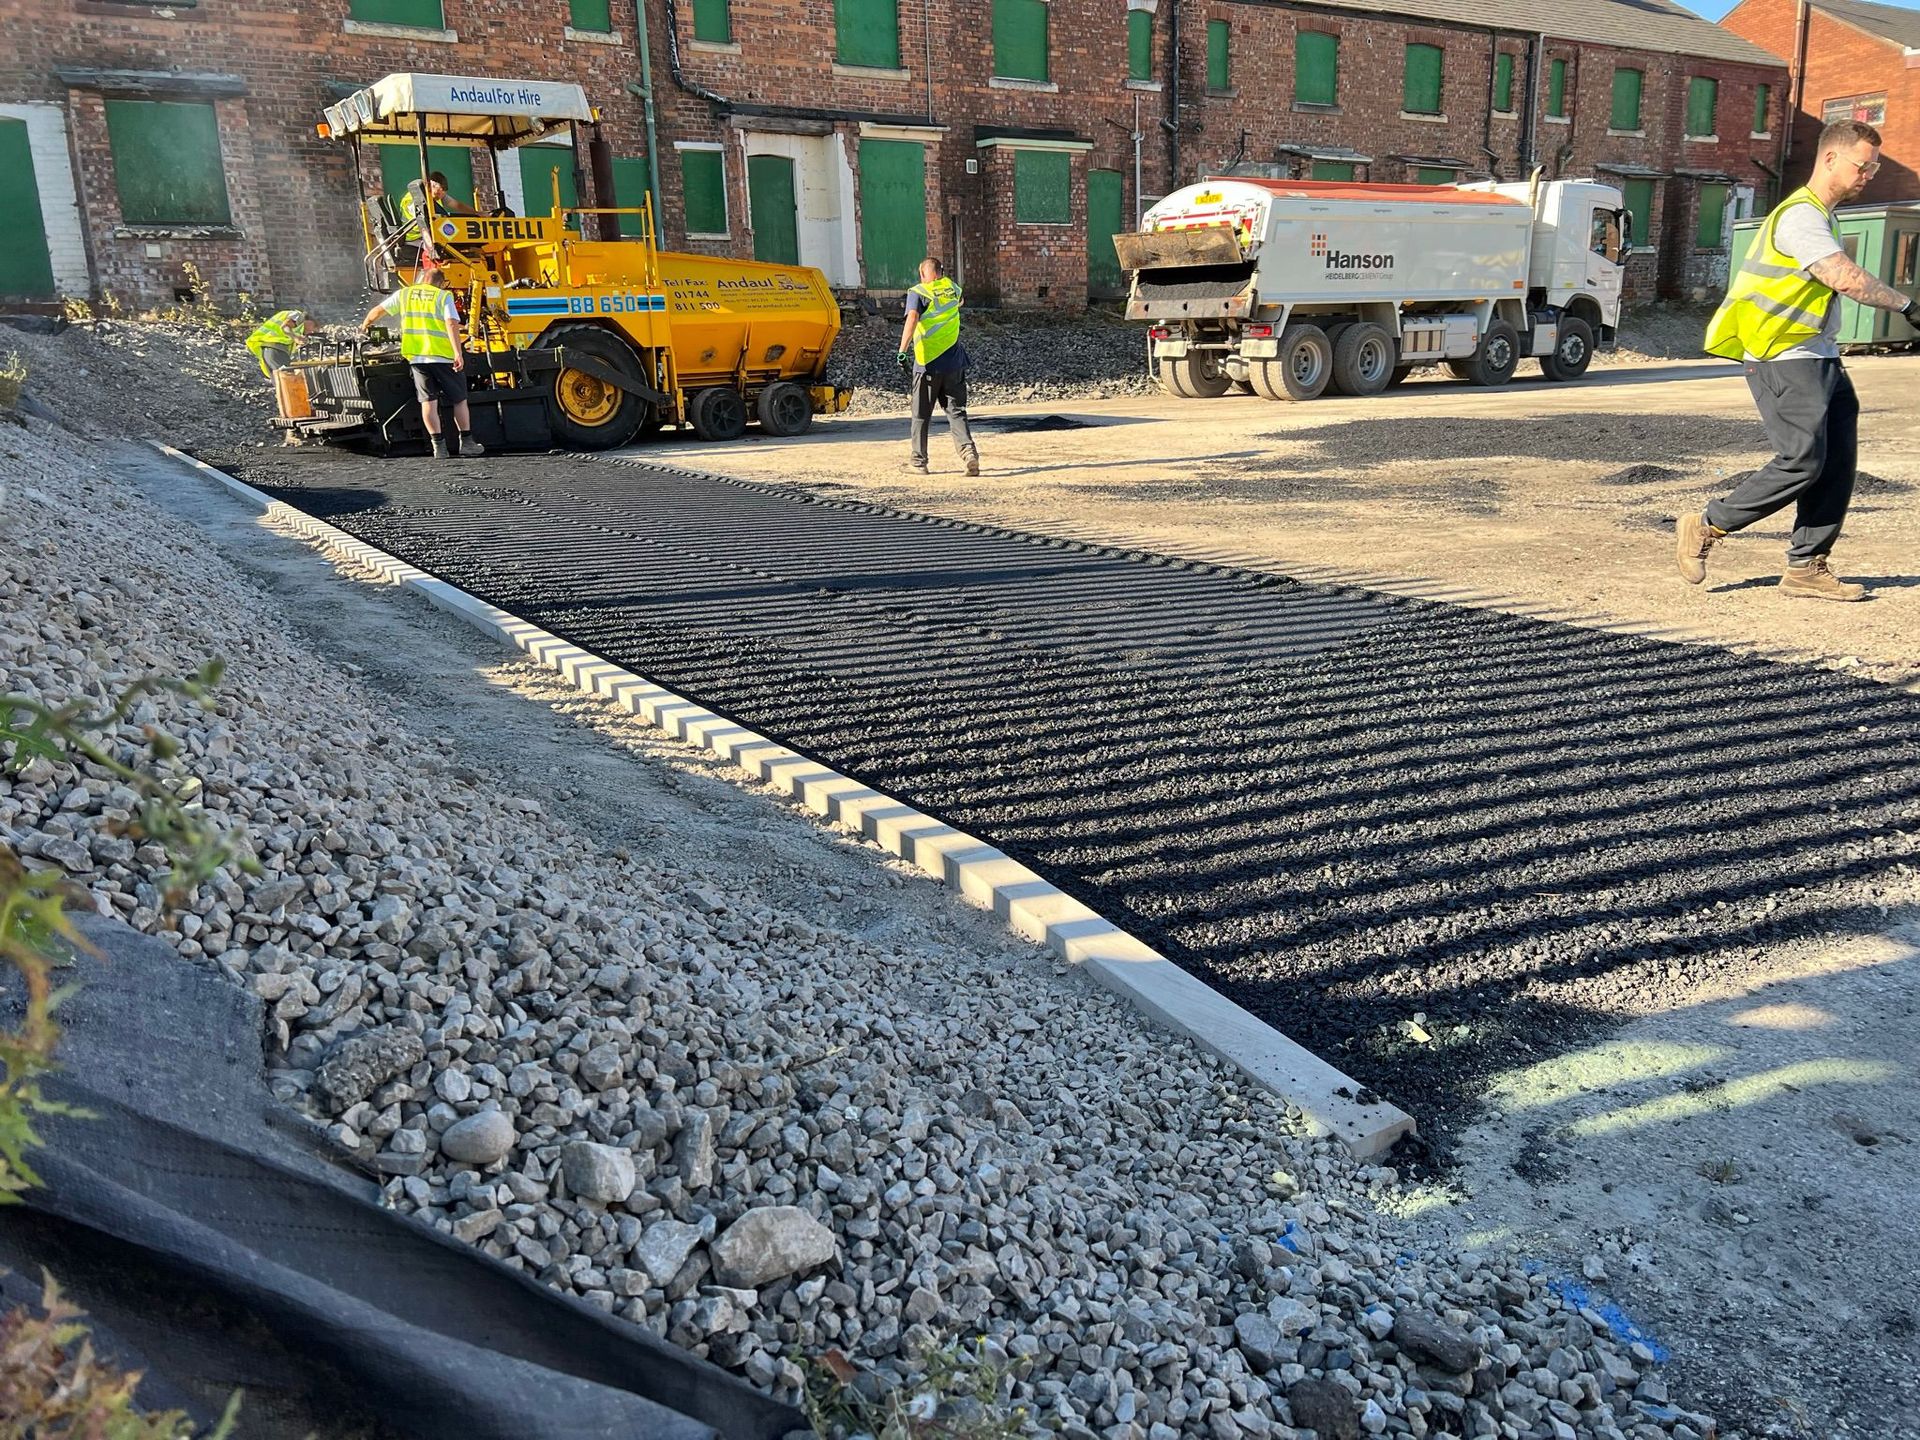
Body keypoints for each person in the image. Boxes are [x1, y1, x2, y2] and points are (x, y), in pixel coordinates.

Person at [1683, 118, 1918, 601]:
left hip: (1818, 354)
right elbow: (1843, 277)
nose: (1868, 175)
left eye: (1873, 168)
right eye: (1863, 166)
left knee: (1837, 462)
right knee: (1802, 460)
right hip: (1780, 351)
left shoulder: (1825, 216)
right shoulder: (1801, 217)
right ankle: (1707, 525)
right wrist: (1908, 307)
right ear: (1830, 158)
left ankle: (1808, 566)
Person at [357, 262, 485, 459]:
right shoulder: (443, 296)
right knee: (459, 399)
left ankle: (438, 447)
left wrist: (365, 326)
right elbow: (451, 323)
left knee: (428, 401)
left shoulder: (405, 294)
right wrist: (458, 352)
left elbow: (377, 311)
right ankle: (466, 443)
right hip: (443, 357)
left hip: (417, 357)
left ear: (422, 279)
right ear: (441, 283)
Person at [897, 256, 980, 477]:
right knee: (956, 411)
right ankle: (969, 454)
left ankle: (918, 462)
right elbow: (960, 302)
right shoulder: (952, 287)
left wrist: (902, 351)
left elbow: (912, 318)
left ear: (924, 275)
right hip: (954, 361)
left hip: (928, 363)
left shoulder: (919, 292)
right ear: (941, 273)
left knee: (921, 414)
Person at [245, 309, 307, 377]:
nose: (312, 332)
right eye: (315, 327)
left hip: (270, 350)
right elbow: (285, 326)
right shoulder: (298, 315)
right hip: (275, 350)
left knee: (280, 380)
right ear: (310, 321)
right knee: (287, 377)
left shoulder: (298, 327)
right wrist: (295, 337)